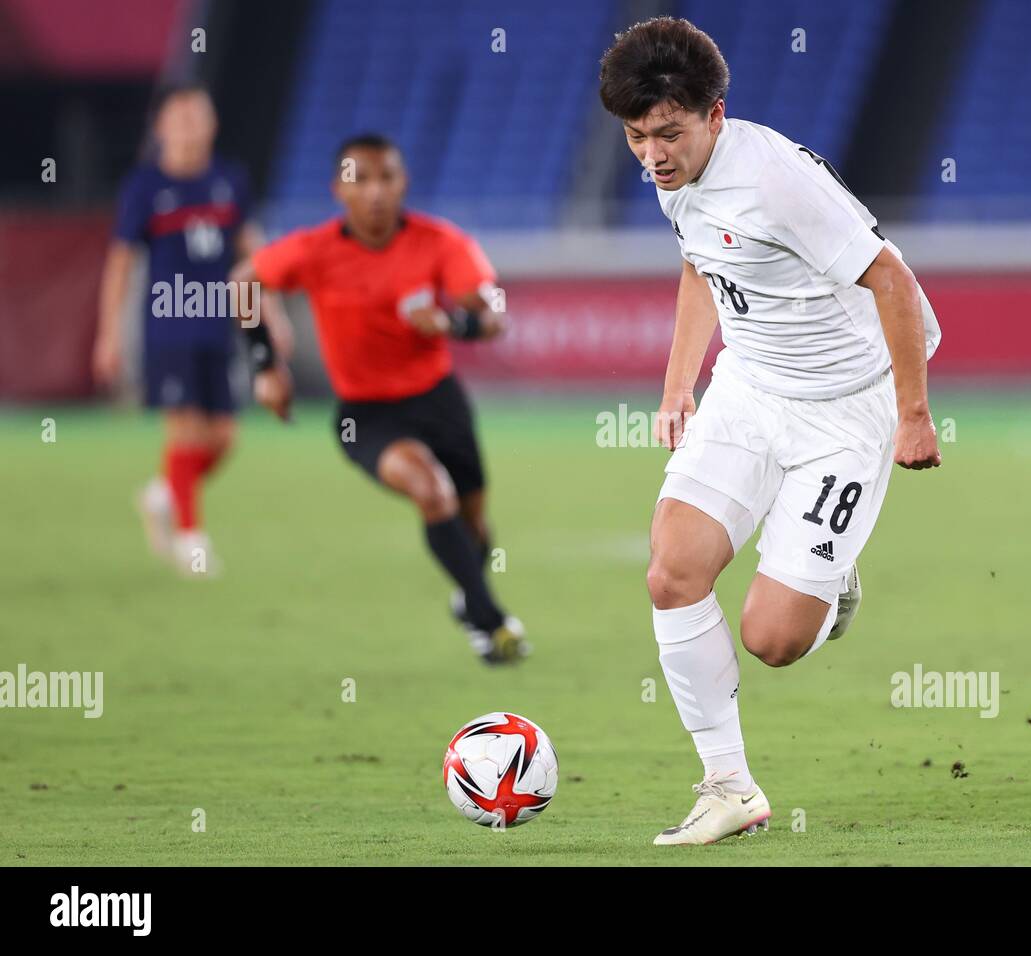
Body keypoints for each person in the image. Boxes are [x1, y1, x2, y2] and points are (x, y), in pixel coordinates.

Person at [598, 18, 943, 845]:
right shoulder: (671, 169)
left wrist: (913, 415)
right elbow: (700, 260)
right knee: (673, 570)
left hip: (845, 405)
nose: (653, 154)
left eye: (669, 134)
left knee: (774, 639)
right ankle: (729, 786)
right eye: (638, 136)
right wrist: (680, 382)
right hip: (750, 388)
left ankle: (831, 585)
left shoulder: (777, 182)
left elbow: (892, 280)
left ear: (717, 114)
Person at [229, 134, 525, 664]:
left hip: (439, 402)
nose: (374, 191)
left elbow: (495, 312)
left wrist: (451, 322)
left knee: (474, 525)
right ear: (338, 189)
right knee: (432, 491)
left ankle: (469, 597)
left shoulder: (439, 242)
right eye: (359, 179)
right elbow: (244, 281)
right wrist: (265, 364)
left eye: (385, 177)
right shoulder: (314, 249)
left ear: (402, 182)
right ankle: (491, 622)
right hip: (366, 415)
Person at [94, 81, 291, 576]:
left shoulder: (230, 180)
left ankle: (164, 493)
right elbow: (119, 264)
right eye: (177, 117)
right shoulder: (144, 187)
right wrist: (109, 334)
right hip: (167, 325)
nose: (187, 126)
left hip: (217, 324)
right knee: (184, 429)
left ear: (212, 123)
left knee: (224, 437)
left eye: (196, 115)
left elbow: (251, 255)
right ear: (160, 127)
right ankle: (191, 542)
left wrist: (273, 314)